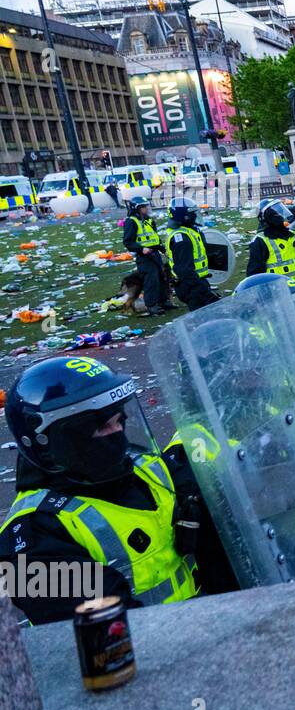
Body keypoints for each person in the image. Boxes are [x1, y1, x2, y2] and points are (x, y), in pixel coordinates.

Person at [0, 355, 237, 625]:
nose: (118, 436)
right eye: (102, 427)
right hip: (135, 656)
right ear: (52, 441)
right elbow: (107, 633)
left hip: (209, 625)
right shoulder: (32, 545)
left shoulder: (147, 472)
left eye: (120, 421)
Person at [165, 197, 220, 312]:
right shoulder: (181, 238)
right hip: (191, 286)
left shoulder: (189, 231)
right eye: (192, 214)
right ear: (184, 217)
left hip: (196, 282)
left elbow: (193, 257)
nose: (195, 216)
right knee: (202, 318)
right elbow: (184, 269)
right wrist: (204, 292)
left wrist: (211, 257)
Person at [122, 197, 170, 316]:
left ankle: (164, 301)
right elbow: (128, 241)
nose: (147, 208)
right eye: (143, 207)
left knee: (162, 278)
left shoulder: (148, 220)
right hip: (144, 257)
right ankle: (152, 305)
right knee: (151, 280)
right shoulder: (131, 221)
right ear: (137, 208)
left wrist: (162, 249)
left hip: (155, 253)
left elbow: (154, 236)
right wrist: (141, 249)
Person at [246, 199, 295, 286]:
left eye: (280, 210)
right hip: (278, 290)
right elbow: (254, 274)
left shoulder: (292, 234)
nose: (280, 215)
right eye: (275, 212)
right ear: (266, 217)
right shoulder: (260, 241)